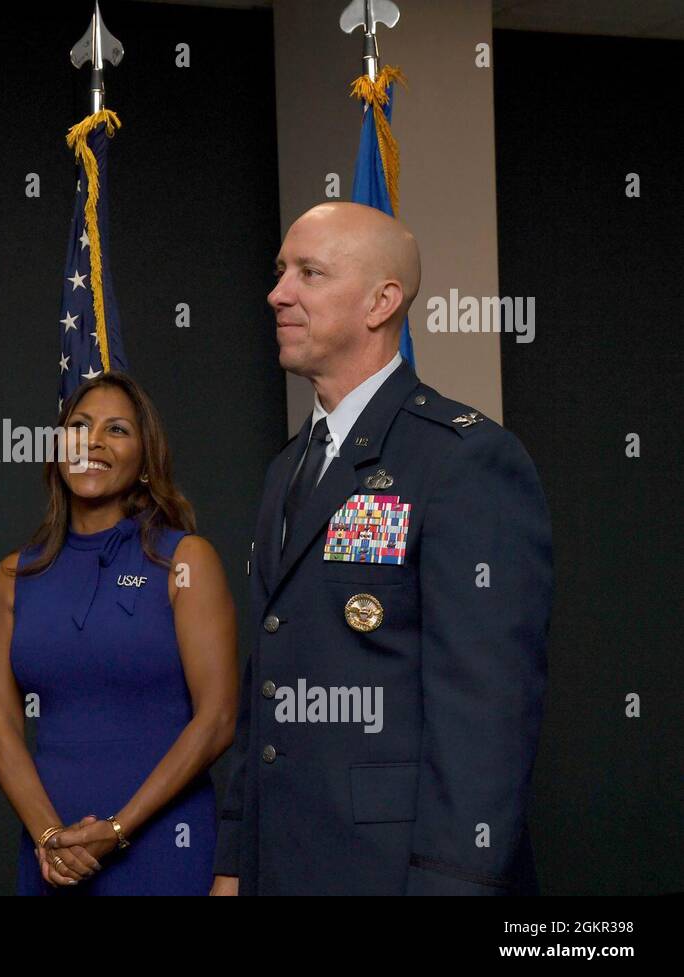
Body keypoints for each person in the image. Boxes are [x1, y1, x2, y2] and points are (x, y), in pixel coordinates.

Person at [210, 202, 552, 896]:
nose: (278, 293)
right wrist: (232, 861)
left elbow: (485, 716)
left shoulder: (464, 460)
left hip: (397, 874)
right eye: (280, 272)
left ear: (381, 301)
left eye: (309, 272)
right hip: (283, 865)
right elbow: (267, 682)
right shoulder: (288, 469)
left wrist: (453, 885)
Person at [0, 373, 238, 895]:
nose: (93, 441)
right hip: (51, 859)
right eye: (79, 426)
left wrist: (117, 830)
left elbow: (217, 720)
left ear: (146, 461)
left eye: (117, 429)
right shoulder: (15, 576)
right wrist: (51, 837)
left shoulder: (185, 560)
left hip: (165, 847)